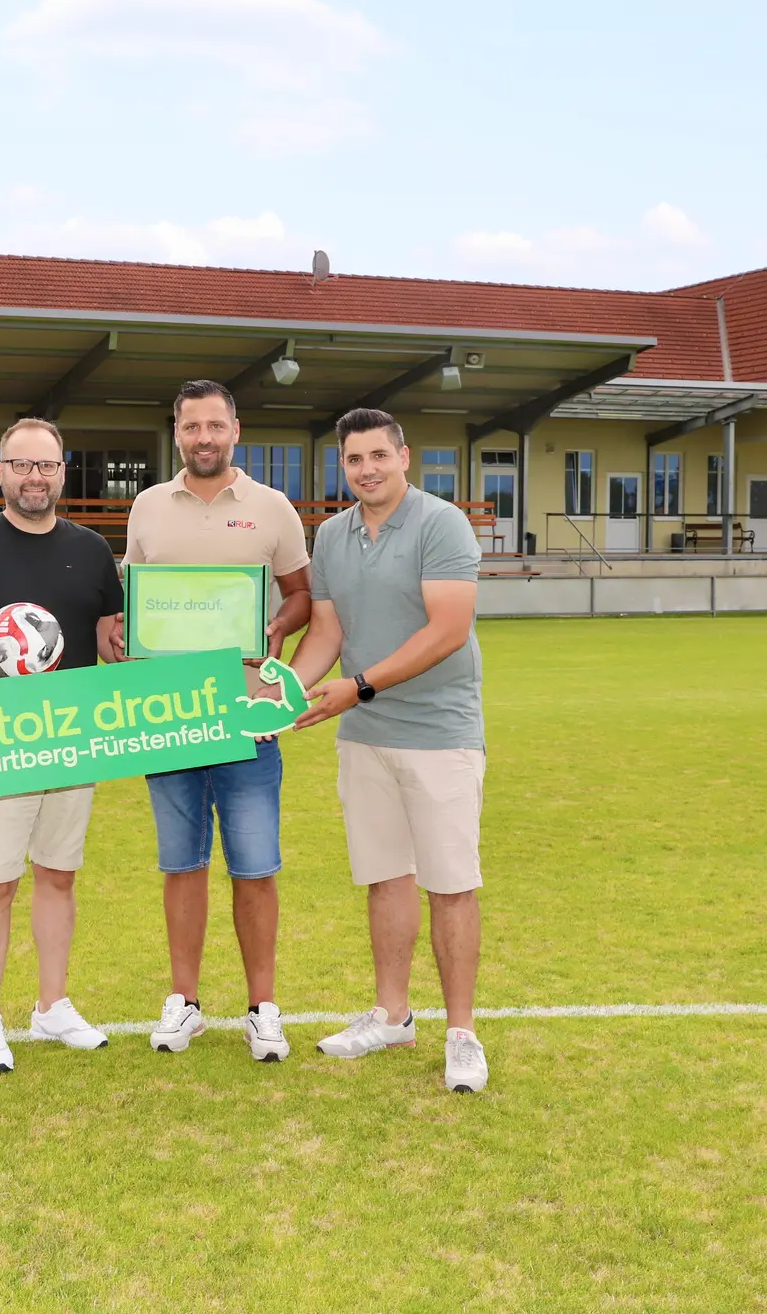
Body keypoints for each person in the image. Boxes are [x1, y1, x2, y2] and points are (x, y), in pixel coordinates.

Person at [286, 406, 490, 1094]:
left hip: (438, 732)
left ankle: (460, 1031)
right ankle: (393, 1014)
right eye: (354, 459)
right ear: (341, 465)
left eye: (379, 455)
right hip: (365, 734)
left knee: (451, 885)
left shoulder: (442, 522)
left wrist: (359, 685)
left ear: (406, 456)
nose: (367, 469)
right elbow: (325, 632)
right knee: (384, 878)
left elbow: (448, 630)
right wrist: (287, 690)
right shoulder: (333, 535)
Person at [117, 379, 312, 1062]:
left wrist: (274, 629)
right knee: (182, 863)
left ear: (236, 429)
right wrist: (119, 629)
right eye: (191, 426)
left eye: (215, 425)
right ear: (176, 432)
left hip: (247, 715)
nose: (204, 437)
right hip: (168, 716)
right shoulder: (145, 507)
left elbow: (301, 595)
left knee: (255, 866)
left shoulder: (272, 507)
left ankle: (263, 1007)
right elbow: (133, 600)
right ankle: (185, 1001)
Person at [0, 418, 125, 1074]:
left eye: (46, 465)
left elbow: (110, 638)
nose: (34, 476)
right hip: (3, 736)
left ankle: (51, 1004)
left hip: (73, 733)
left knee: (59, 874)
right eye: (21, 465)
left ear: (63, 471)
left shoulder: (94, 549)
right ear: (1, 470)